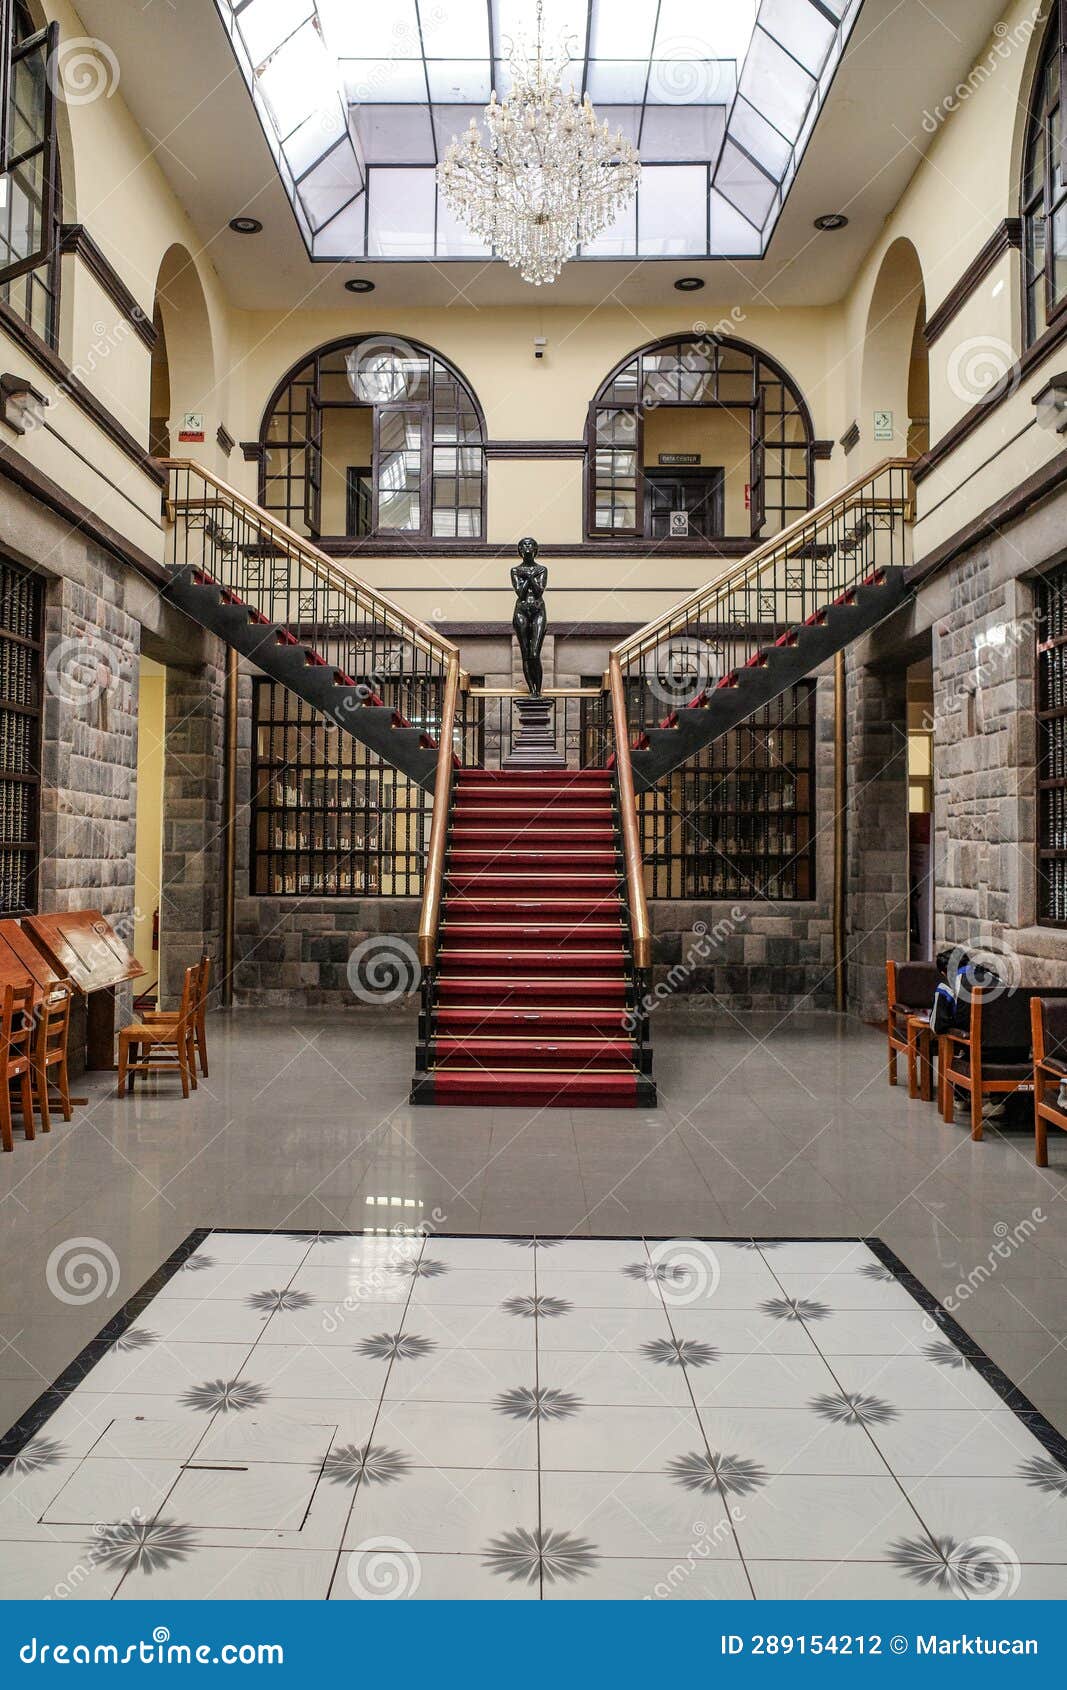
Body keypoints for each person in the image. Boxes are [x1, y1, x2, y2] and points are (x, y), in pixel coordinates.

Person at [511, 536, 548, 697]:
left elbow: (539, 591)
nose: (527, 547)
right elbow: (520, 592)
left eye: (530, 545)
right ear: (520, 550)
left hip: (538, 610)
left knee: (535, 652)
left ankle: (538, 689)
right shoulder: (514, 570)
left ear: (535, 550)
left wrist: (528, 576)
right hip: (521, 610)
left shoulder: (542, 569)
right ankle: (532, 691)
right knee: (525, 653)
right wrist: (531, 577)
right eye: (524, 545)